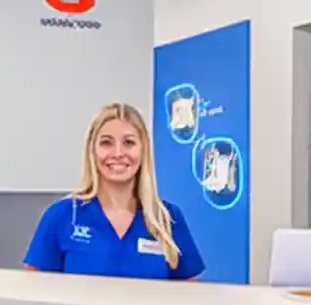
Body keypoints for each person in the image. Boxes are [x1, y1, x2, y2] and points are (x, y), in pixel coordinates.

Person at [24, 102, 204, 281]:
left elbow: (190, 297)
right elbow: (34, 293)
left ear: (143, 150)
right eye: (106, 143)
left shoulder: (167, 219)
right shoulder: (62, 216)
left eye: (129, 142)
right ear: (92, 151)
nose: (118, 153)